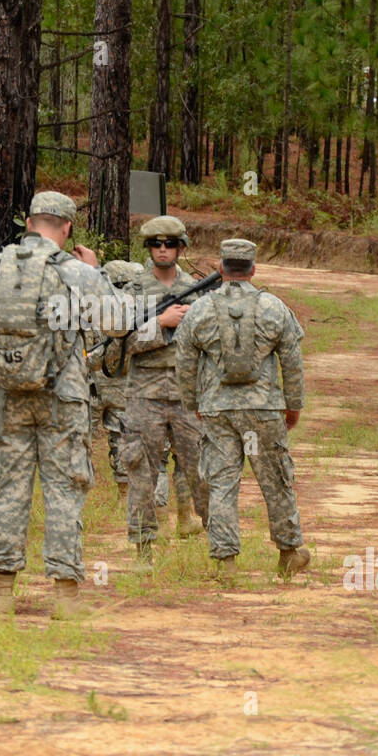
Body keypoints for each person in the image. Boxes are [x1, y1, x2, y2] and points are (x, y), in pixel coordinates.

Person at [0, 191, 128, 617]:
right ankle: (66, 598)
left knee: (6, 488)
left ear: (29, 223)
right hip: (62, 396)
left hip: (5, 396)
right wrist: (95, 272)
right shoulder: (77, 272)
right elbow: (120, 324)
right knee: (64, 489)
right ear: (67, 227)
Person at [174, 239, 309, 578]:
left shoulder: (200, 310)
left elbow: (185, 365)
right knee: (275, 480)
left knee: (221, 482)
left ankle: (225, 561)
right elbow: (292, 364)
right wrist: (292, 407)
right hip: (263, 410)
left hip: (217, 410)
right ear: (253, 269)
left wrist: (194, 404)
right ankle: (289, 551)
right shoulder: (274, 307)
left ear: (221, 269)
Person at [119, 216, 211, 571]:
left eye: (169, 244)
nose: (161, 250)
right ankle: (143, 552)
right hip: (145, 395)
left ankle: (221, 548)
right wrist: (159, 323)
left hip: (189, 395)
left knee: (202, 472)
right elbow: (118, 348)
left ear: (181, 247)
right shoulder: (132, 292)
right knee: (141, 474)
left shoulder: (199, 291)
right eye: (155, 244)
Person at [88, 260, 146, 497]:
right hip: (122, 384)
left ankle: (78, 490)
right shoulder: (135, 308)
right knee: (122, 436)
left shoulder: (95, 304)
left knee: (80, 438)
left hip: (91, 384)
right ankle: (124, 492)